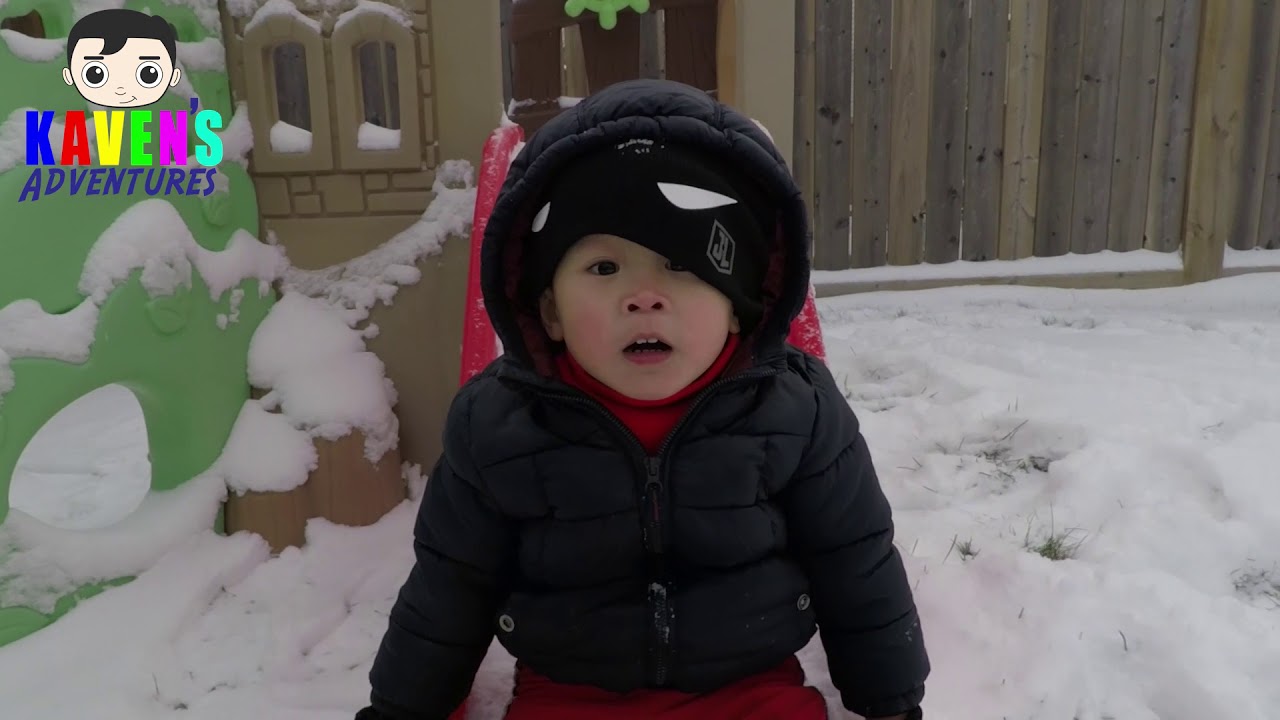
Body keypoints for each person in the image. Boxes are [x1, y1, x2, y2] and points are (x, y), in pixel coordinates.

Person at [356, 78, 930, 720]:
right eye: (604, 268)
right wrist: (401, 709)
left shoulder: (795, 411)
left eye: (683, 267)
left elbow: (855, 564)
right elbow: (449, 587)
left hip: (749, 688)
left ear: (740, 309)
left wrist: (892, 702)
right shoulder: (499, 425)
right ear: (548, 312)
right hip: (571, 694)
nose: (644, 296)